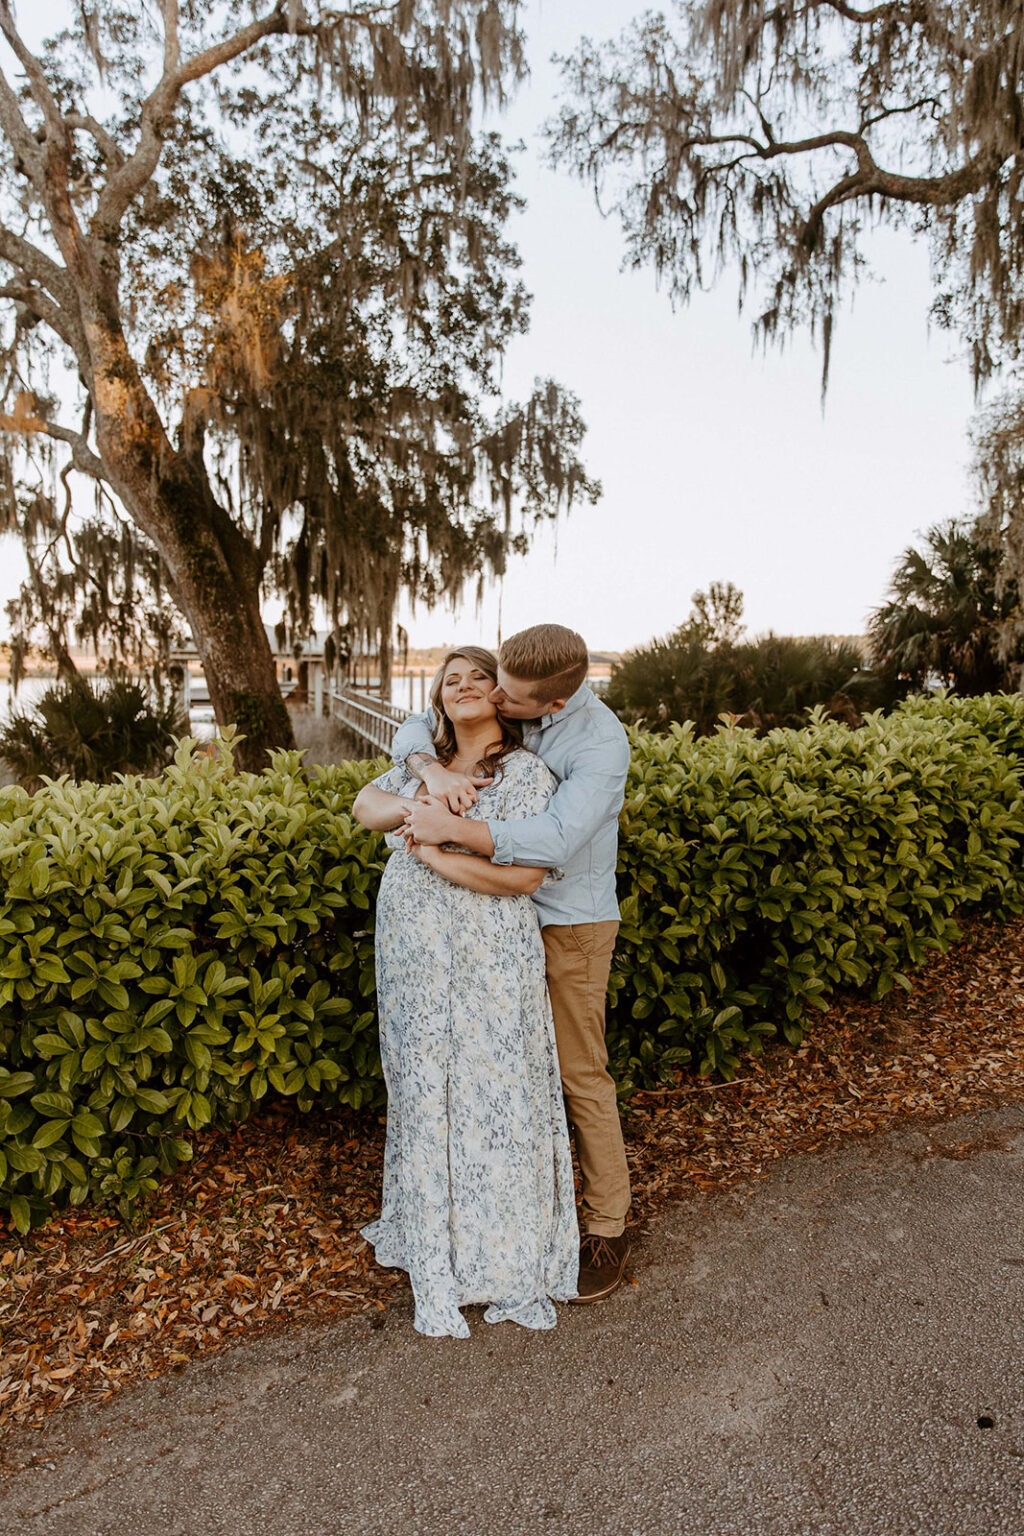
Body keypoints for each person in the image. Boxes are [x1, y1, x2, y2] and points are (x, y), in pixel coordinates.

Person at [393, 623, 633, 1303]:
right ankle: (501, 1220)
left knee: (577, 1071)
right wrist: (430, 770)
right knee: (498, 1073)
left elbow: (554, 840)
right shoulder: (518, 695)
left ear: (550, 705)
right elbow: (418, 723)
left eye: (508, 693)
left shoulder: (599, 745)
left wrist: (447, 833)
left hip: (566, 923)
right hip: (493, 924)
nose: (492, 693)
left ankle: (607, 1225)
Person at [352, 647, 578, 1338]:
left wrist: (433, 852)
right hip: (416, 948)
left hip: (489, 951)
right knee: (424, 1084)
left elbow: (524, 879)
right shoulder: (425, 763)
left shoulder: (527, 773)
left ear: (502, 693)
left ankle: (498, 1255)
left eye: (479, 675)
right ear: (439, 699)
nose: (466, 686)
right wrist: (416, 801)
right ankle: (435, 1240)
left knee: (493, 1088)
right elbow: (365, 804)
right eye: (451, 680)